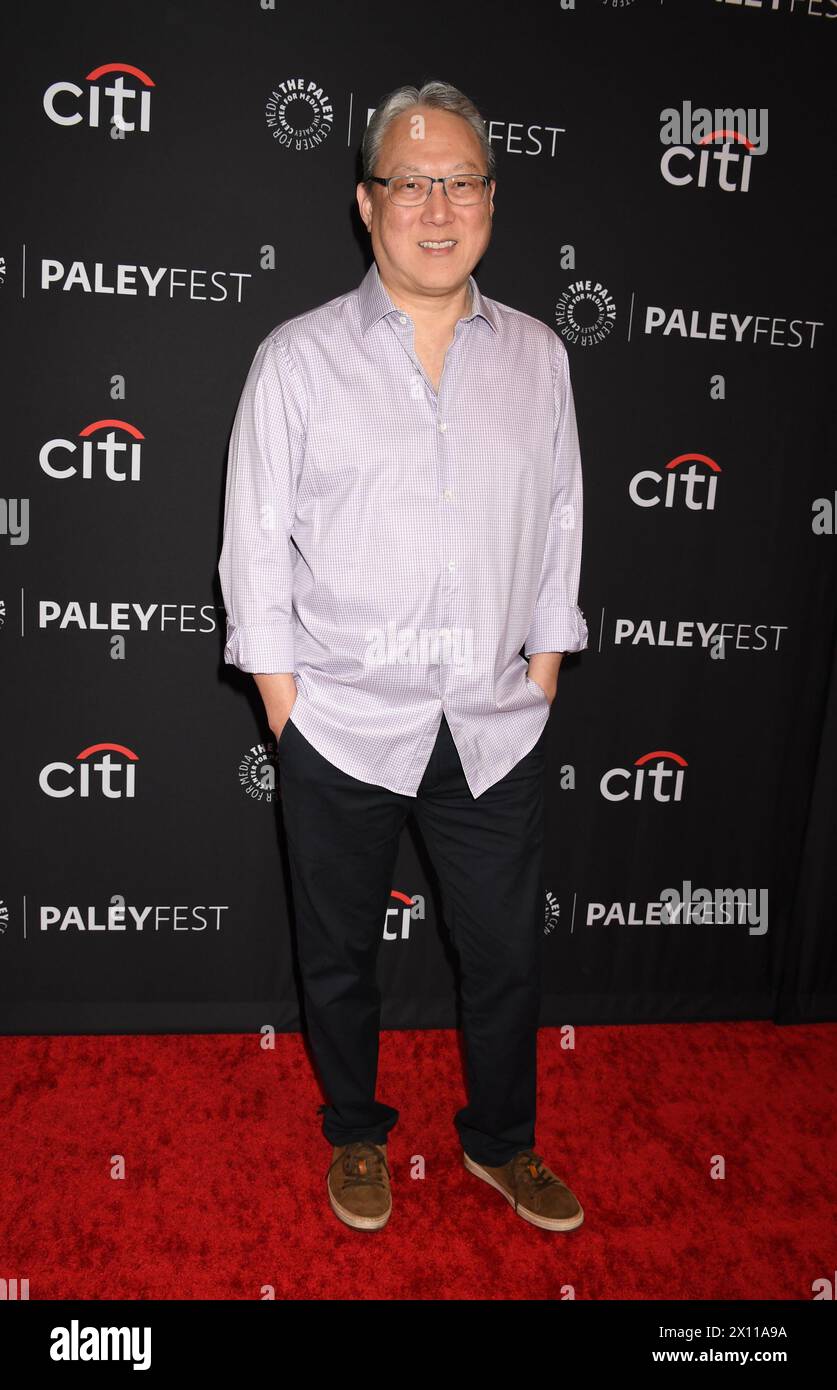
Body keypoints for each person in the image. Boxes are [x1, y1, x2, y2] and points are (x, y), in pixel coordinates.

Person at [218, 79, 588, 1233]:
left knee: (507, 957)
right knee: (337, 957)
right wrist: (286, 707)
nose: (438, 207)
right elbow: (253, 543)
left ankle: (501, 1142)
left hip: (493, 722)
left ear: (492, 199)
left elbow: (561, 522)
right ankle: (356, 1132)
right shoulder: (296, 359)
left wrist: (541, 674)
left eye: (462, 181)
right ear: (367, 202)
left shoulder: (539, 357)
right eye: (412, 182)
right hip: (340, 723)